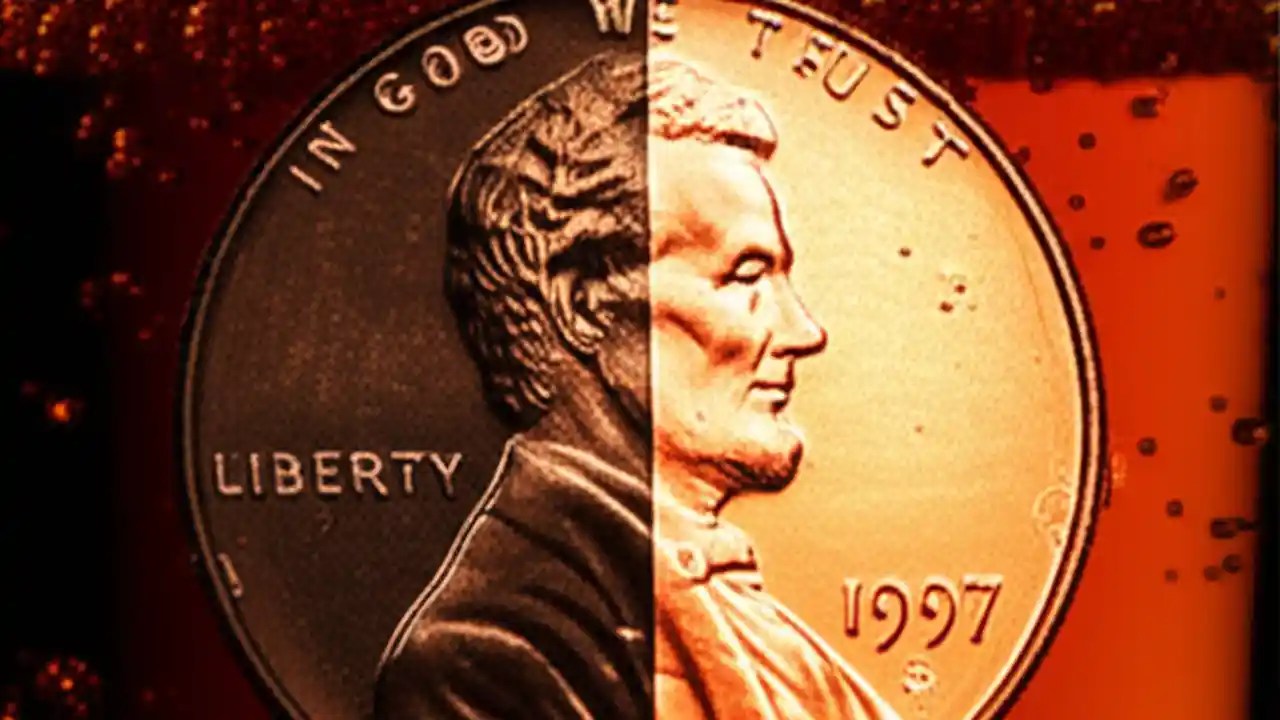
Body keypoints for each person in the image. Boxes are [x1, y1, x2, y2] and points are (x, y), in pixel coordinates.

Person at [374, 51, 898, 720]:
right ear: (581, 302)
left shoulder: (743, 614)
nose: (805, 331)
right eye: (746, 276)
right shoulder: (485, 660)